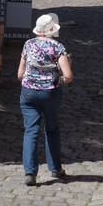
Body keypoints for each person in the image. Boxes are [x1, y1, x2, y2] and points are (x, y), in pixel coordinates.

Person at [17, 12, 74, 186]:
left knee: (30, 130)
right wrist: (60, 80)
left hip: (28, 92)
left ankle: (30, 172)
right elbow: (68, 76)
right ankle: (55, 168)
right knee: (52, 129)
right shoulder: (57, 47)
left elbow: (20, 74)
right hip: (50, 92)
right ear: (51, 30)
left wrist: (31, 81)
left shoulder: (28, 44)